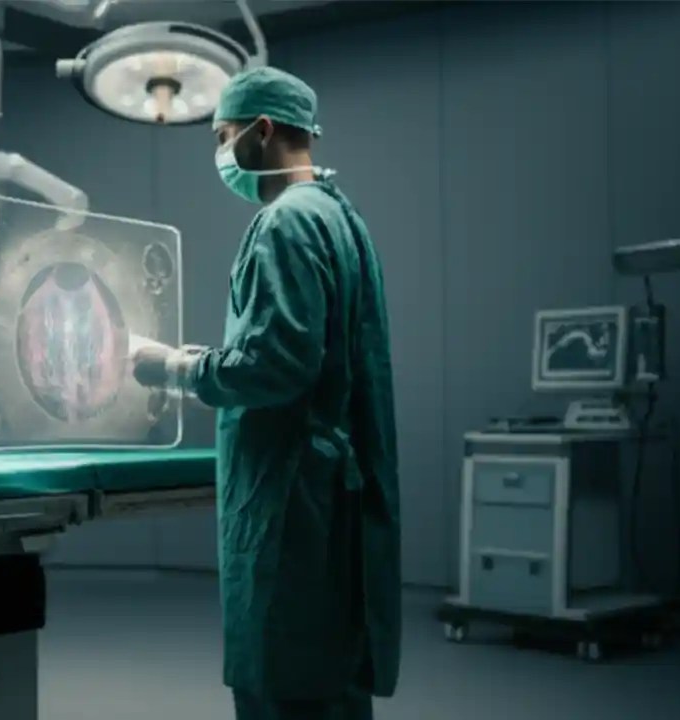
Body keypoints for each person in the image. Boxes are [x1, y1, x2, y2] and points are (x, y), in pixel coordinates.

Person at [131, 67, 402, 720]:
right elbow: (308, 350)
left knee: (286, 683)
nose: (221, 154)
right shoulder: (340, 217)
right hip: (329, 497)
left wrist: (170, 367)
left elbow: (274, 366)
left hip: (291, 504)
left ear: (261, 130)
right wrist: (204, 358)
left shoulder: (284, 223)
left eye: (223, 136)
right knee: (331, 680)